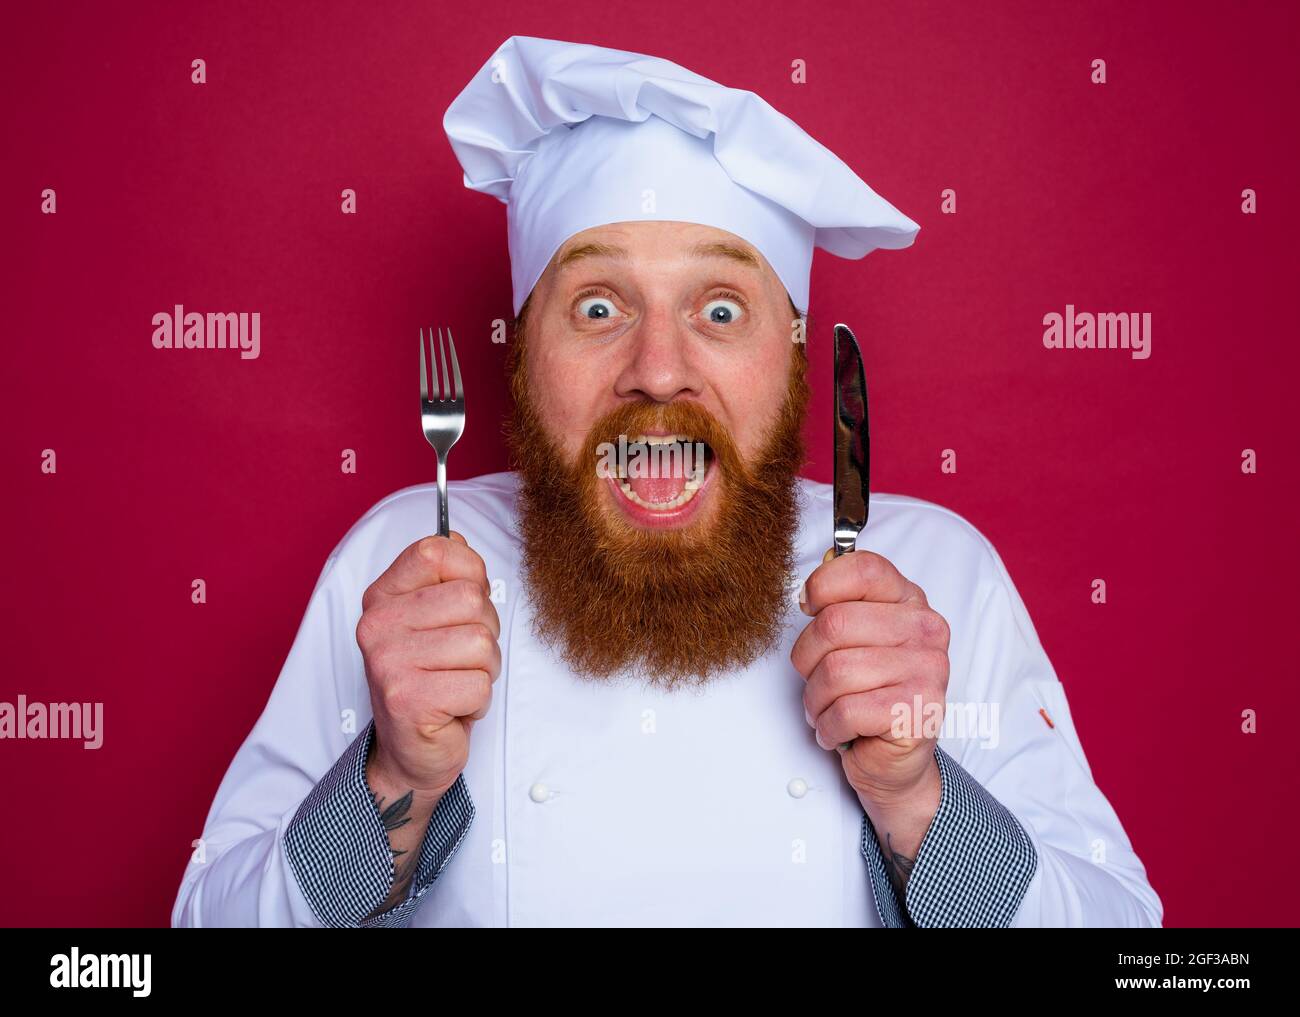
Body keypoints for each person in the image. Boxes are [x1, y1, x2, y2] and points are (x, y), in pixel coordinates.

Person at [171, 35, 1162, 928]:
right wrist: (392, 778)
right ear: (522, 357)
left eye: (721, 311)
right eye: (598, 306)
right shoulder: (411, 557)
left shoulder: (934, 575)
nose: (656, 367)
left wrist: (916, 795)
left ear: (794, 356)